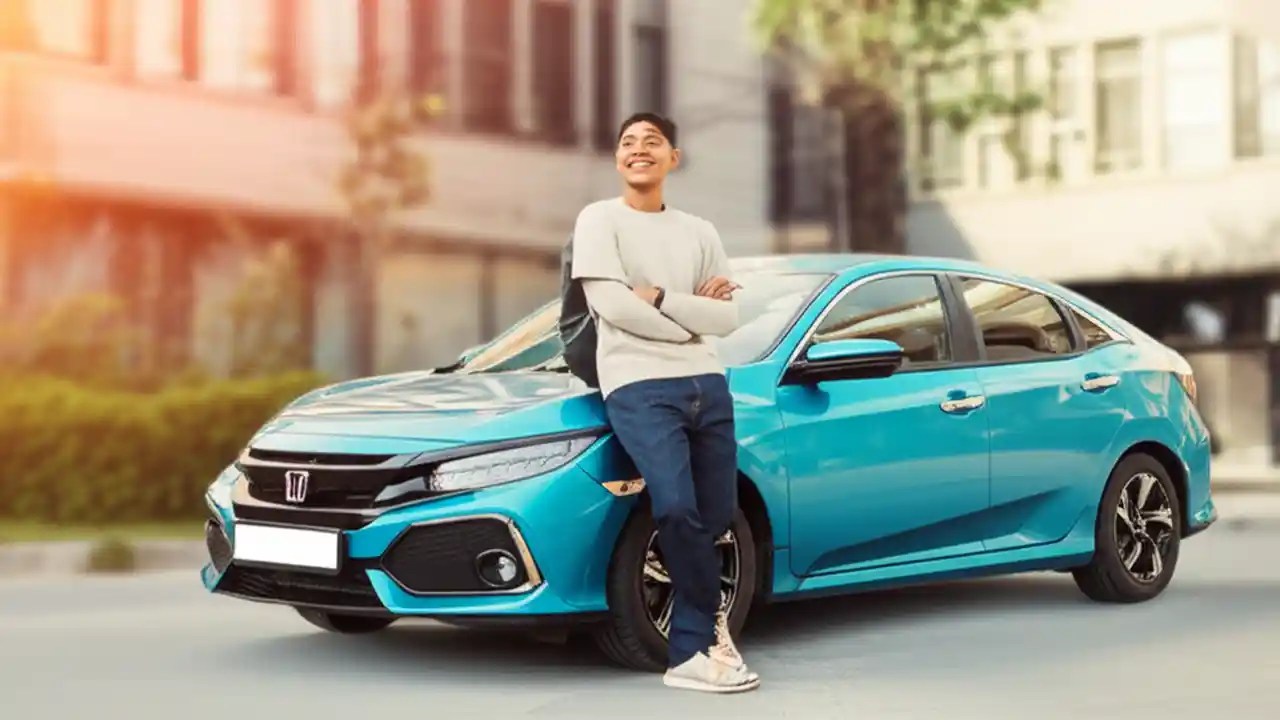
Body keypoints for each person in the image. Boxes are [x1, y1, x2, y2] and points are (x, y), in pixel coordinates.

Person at [570, 112, 759, 693]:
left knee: (717, 514)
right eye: (627, 142)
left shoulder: (699, 230)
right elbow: (613, 307)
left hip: (708, 384)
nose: (638, 149)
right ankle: (693, 651)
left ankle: (704, 641)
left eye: (652, 142)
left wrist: (657, 296)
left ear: (673, 157)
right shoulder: (599, 220)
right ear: (619, 159)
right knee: (674, 507)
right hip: (639, 385)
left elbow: (727, 317)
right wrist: (686, 320)